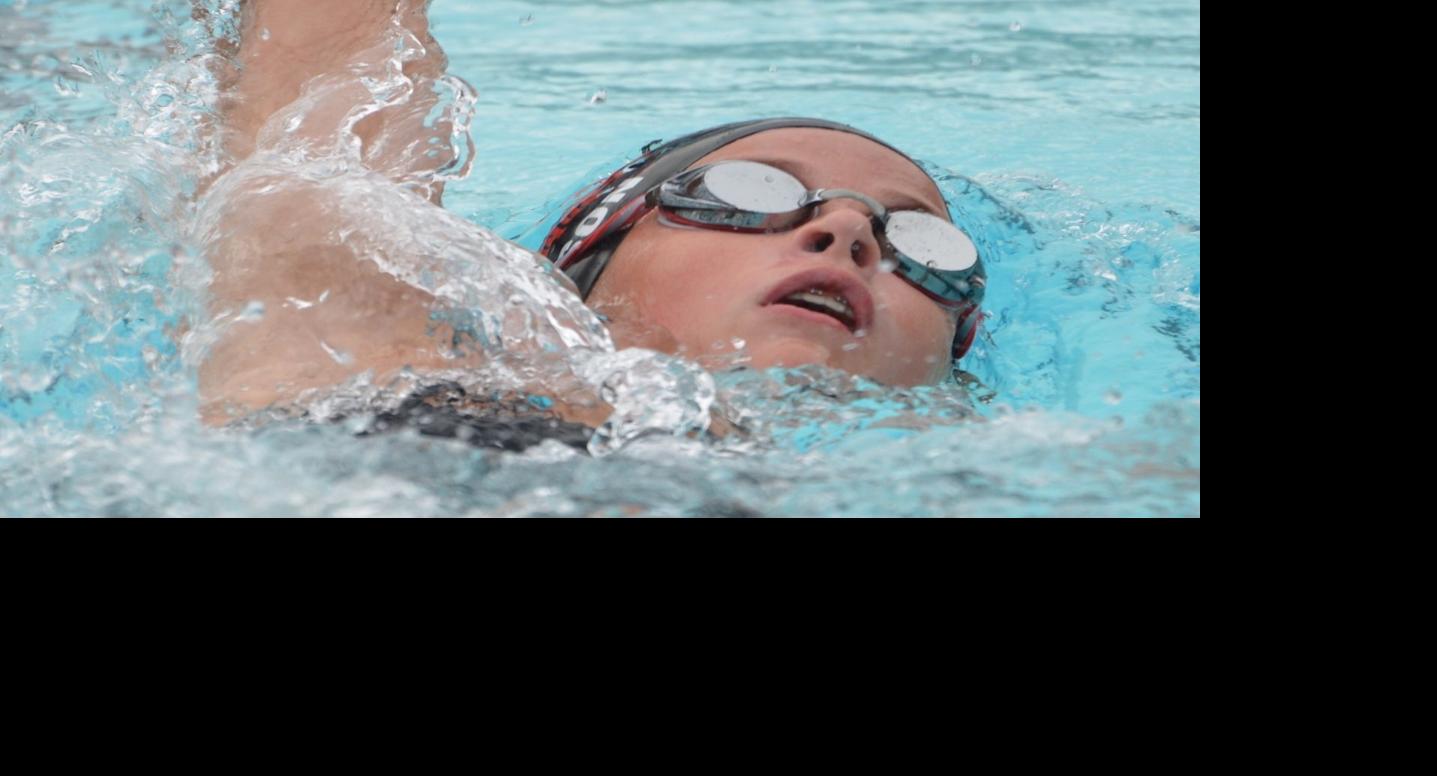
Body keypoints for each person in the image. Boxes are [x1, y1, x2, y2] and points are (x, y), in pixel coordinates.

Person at [198, 1, 986, 447]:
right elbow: (321, 114)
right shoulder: (371, 367)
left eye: (920, 243)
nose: (848, 232)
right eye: (751, 190)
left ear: (959, 352)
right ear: (580, 258)